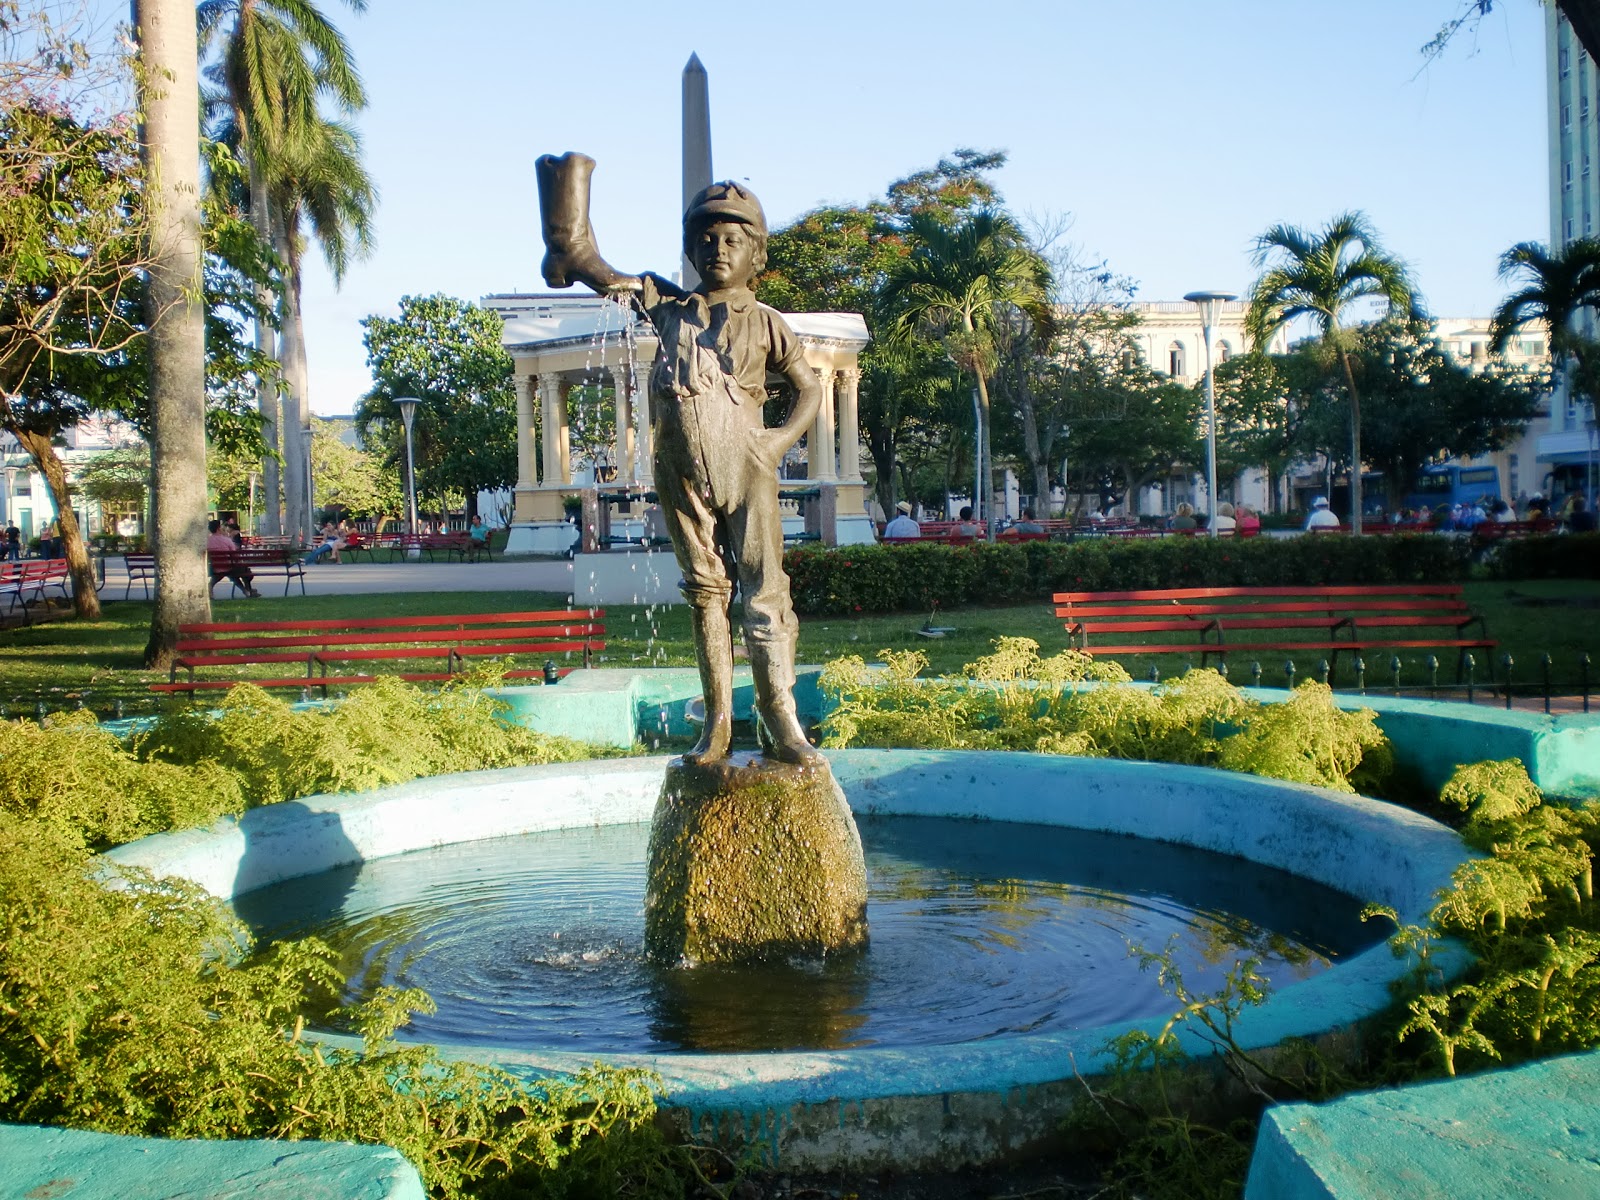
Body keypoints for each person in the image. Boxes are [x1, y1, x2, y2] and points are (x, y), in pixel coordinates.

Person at [539, 169, 822, 764]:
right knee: (704, 593)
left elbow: (809, 389)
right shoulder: (667, 305)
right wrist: (568, 232)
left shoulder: (767, 321)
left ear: (756, 253)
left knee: (764, 594)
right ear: (691, 249)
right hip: (681, 470)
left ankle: (781, 716)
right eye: (707, 239)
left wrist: (777, 443)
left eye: (734, 239)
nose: (719, 249)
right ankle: (717, 719)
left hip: (748, 462)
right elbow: (599, 271)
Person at [206, 519, 259, 597]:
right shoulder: (226, 540)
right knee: (243, 571)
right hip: (229, 567)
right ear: (218, 529)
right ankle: (248, 591)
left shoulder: (207, 541)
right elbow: (235, 555)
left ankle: (246, 591)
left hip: (215, 568)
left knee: (232, 575)